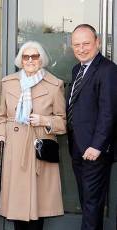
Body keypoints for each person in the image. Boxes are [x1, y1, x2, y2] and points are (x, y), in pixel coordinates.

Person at [0, 41, 66, 230]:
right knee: (17, 206)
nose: (31, 60)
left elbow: (62, 122)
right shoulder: (9, 83)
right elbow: (1, 116)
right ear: (21, 60)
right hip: (14, 153)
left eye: (35, 56)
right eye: (26, 57)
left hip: (37, 152)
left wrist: (43, 120)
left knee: (37, 208)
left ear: (41, 60)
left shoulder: (54, 85)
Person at [67, 24, 117, 230]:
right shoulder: (76, 69)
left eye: (86, 43)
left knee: (92, 204)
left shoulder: (108, 70)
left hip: (94, 151)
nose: (81, 48)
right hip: (78, 147)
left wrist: (97, 146)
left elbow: (109, 112)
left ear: (97, 42)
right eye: (76, 44)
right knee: (86, 201)